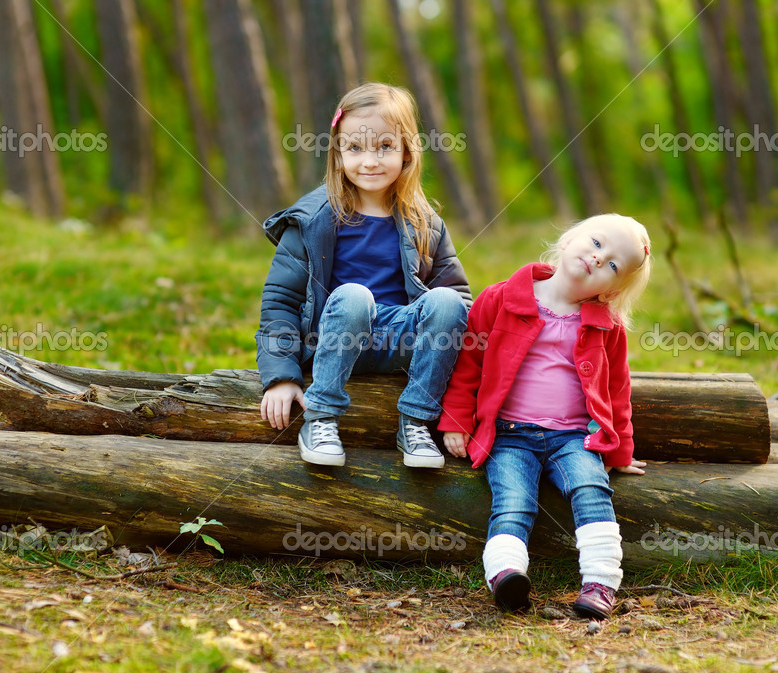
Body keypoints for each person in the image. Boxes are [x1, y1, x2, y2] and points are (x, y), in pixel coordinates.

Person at [438, 214, 652, 619]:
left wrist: (620, 449)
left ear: (613, 289)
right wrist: (456, 420)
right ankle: (506, 576)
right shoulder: (501, 299)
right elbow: (469, 365)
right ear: (570, 238)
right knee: (514, 500)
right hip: (509, 434)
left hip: (575, 438)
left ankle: (600, 583)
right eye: (596, 242)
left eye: (612, 265)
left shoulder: (607, 327)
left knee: (592, 488)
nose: (598, 258)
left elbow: (617, 390)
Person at [256, 82, 471, 469]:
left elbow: (458, 306)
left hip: (401, 344)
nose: (370, 160)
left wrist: (461, 398)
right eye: (355, 148)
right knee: (354, 295)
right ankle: (320, 417)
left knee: (447, 302)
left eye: (385, 147)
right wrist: (280, 376)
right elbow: (281, 301)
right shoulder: (313, 219)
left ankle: (416, 421)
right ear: (338, 155)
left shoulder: (425, 223)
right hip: (332, 336)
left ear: (407, 150)